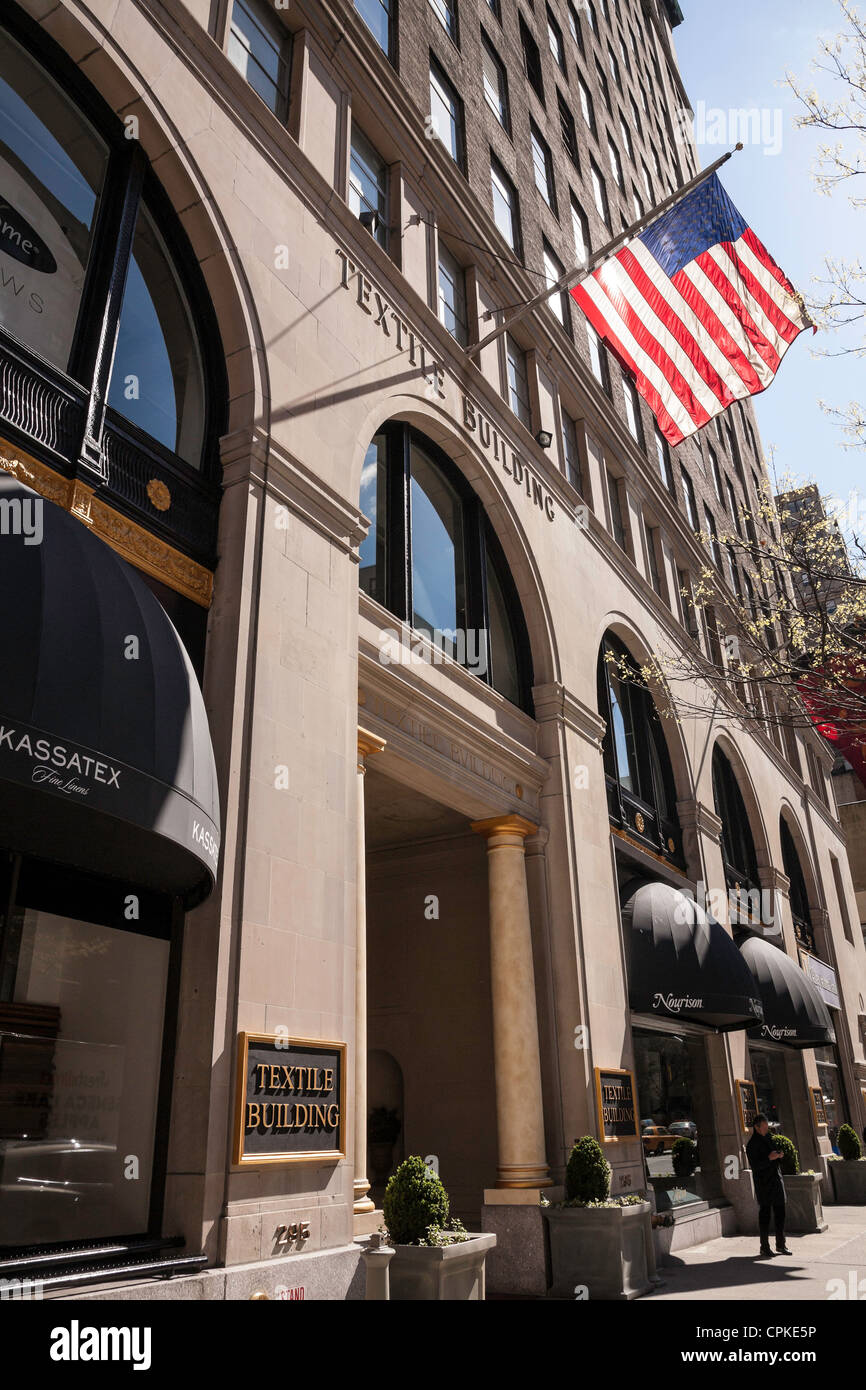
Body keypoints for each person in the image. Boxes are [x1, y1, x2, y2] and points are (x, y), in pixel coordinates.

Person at [745, 1113, 790, 1257]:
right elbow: (755, 1165)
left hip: (776, 1180)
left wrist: (779, 1155)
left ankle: (781, 1245)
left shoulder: (769, 1138)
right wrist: (769, 1158)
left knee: (780, 1213)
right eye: (763, 1127)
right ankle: (764, 1246)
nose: (766, 1129)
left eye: (767, 1126)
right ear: (756, 1127)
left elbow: (775, 1154)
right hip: (763, 1183)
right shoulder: (752, 1144)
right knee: (765, 1215)